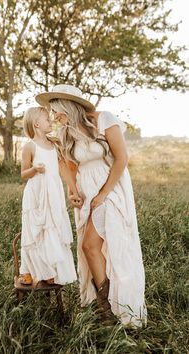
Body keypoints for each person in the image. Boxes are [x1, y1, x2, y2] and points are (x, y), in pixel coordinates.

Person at [35, 85, 147, 327]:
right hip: (87, 190)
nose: (54, 117)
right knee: (90, 249)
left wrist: (104, 193)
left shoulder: (104, 119)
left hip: (110, 187)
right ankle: (106, 305)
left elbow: (122, 158)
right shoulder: (66, 132)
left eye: (56, 111)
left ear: (67, 106)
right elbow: (69, 164)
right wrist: (72, 191)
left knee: (97, 244)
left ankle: (111, 308)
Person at [19, 106, 81, 287]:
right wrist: (34, 169)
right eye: (47, 119)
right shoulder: (29, 146)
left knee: (52, 228)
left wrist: (73, 190)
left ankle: (51, 270)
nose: (51, 121)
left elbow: (64, 170)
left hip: (53, 192)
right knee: (35, 231)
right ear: (36, 124)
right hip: (36, 193)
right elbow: (23, 174)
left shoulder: (55, 145)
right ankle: (31, 269)